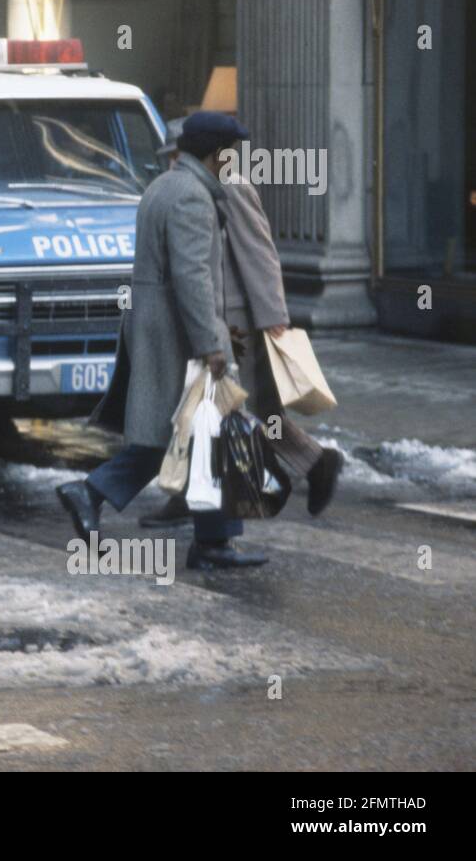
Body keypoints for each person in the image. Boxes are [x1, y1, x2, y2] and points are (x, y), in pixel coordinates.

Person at [56, 112, 267, 570]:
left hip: (156, 326)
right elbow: (193, 279)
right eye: (233, 152)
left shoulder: (163, 186)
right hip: (180, 335)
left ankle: (211, 539)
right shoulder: (193, 197)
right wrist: (213, 345)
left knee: (190, 437)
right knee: (205, 433)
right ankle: (97, 494)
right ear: (218, 153)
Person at [218, 157, 343, 515]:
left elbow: (260, 253)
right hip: (224, 319)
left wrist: (273, 316)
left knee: (250, 409)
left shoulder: (232, 186)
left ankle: (301, 469)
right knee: (245, 409)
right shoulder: (205, 186)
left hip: (241, 322)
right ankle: (296, 470)